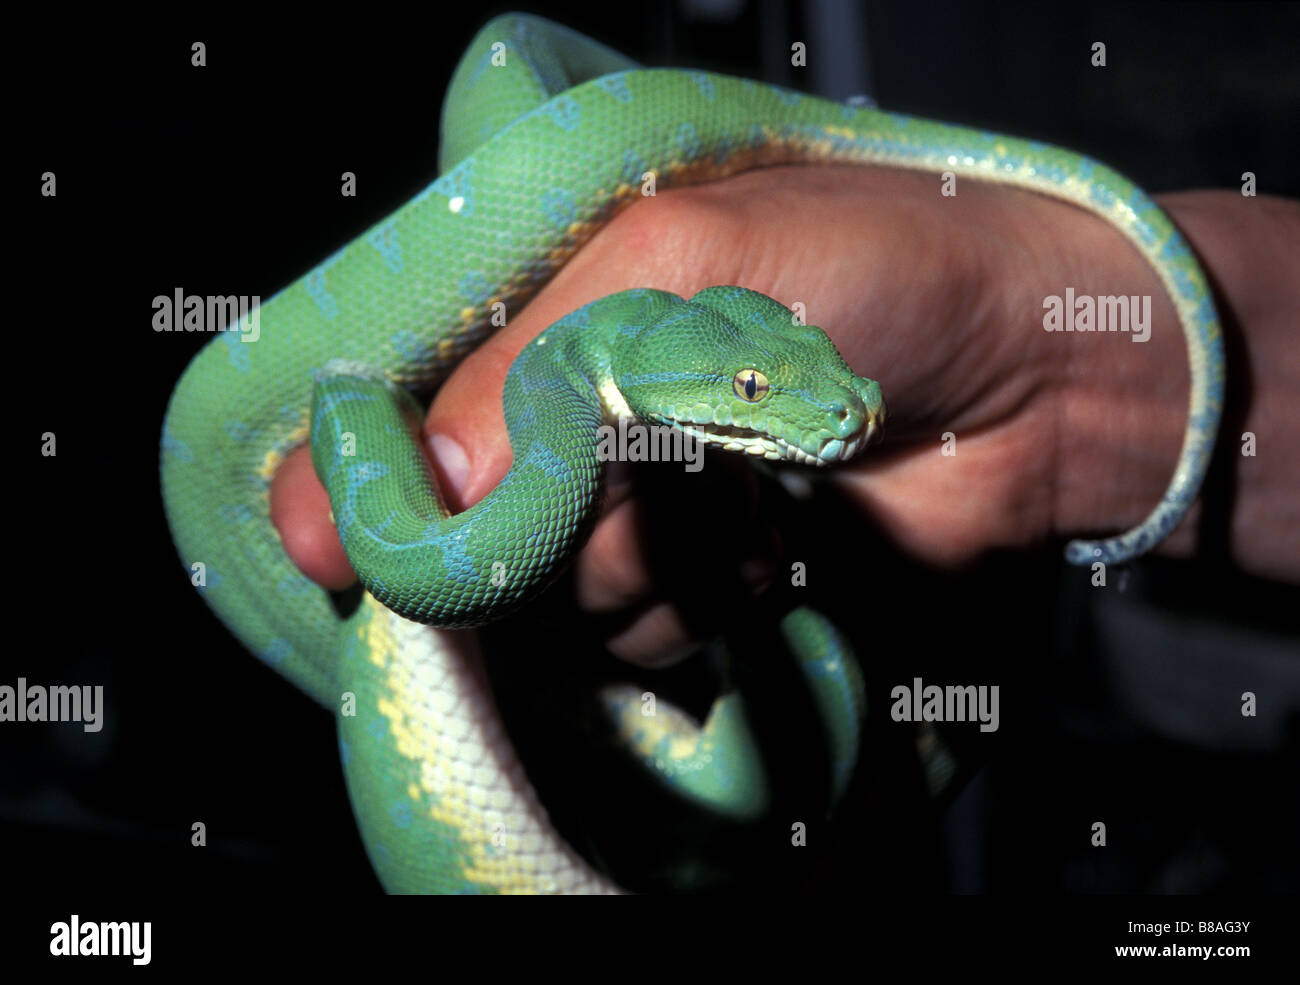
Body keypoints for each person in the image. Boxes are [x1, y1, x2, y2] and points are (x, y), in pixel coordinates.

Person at [268, 167, 1299, 665]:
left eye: (789, 367)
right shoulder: (570, 394)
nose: (850, 407)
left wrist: (1054, 377)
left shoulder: (667, 356)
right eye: (755, 393)